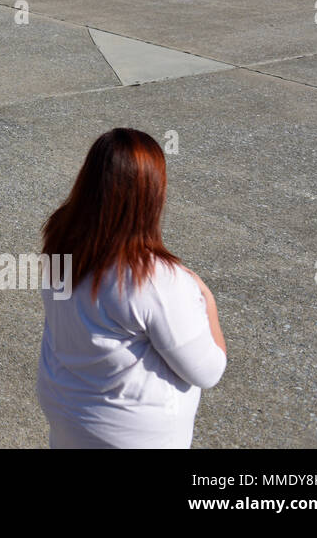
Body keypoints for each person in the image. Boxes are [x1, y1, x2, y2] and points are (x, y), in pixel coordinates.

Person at [38, 129, 227, 448]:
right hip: (132, 436)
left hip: (67, 416)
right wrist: (207, 299)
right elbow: (207, 371)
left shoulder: (61, 244)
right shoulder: (156, 279)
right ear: (151, 195)